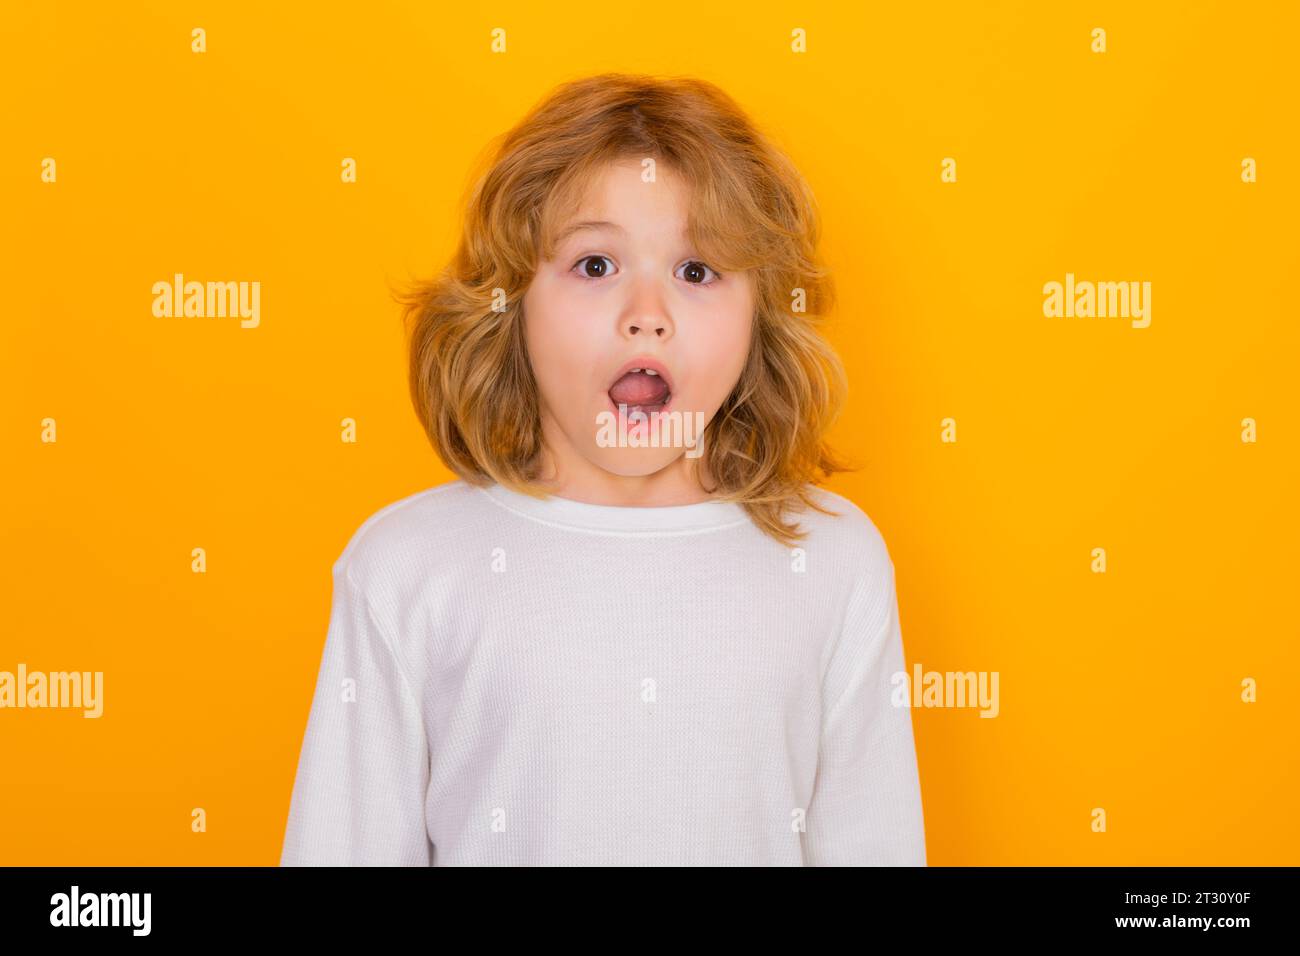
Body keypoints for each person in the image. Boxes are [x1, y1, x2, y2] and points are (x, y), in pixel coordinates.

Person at [279, 72, 926, 866]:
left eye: (697, 272)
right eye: (594, 265)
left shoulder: (831, 560)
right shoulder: (405, 569)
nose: (645, 312)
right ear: (510, 303)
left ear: (761, 317)